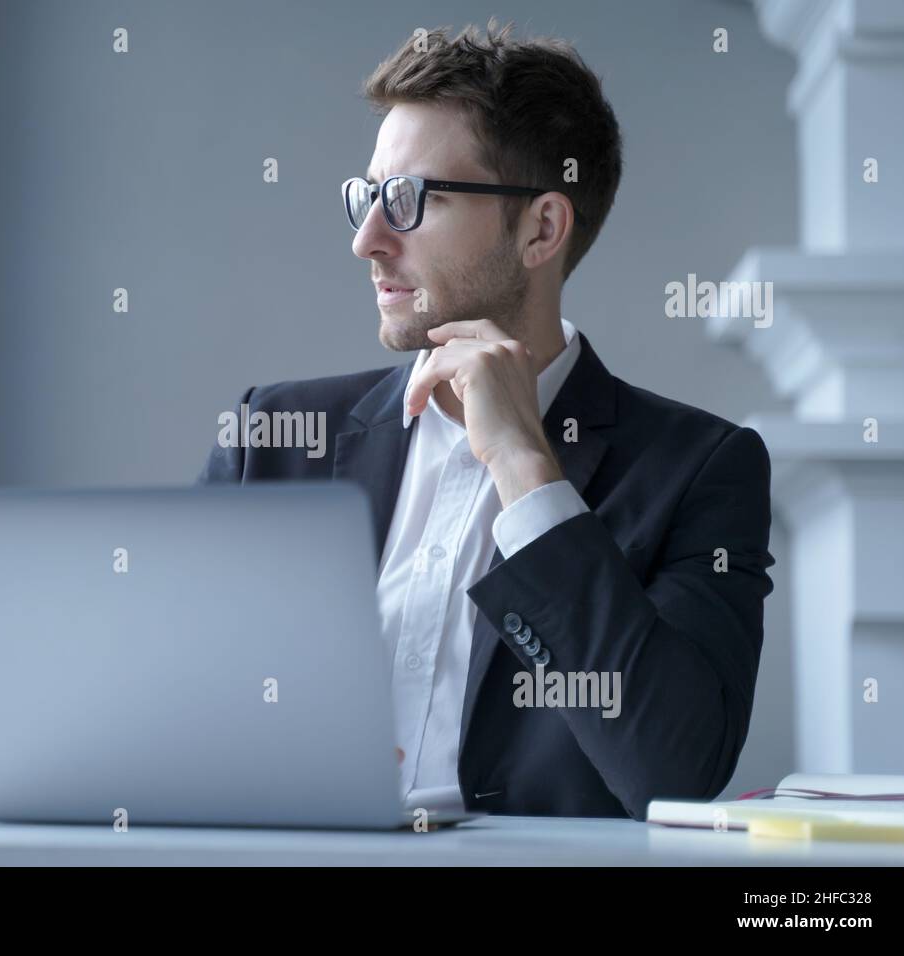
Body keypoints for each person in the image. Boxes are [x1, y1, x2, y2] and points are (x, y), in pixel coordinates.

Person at [199, 21, 774, 820]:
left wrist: (526, 471)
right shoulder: (276, 435)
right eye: (365, 198)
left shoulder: (700, 469)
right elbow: (157, 701)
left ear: (541, 228)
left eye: (408, 201)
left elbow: (670, 767)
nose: (368, 240)